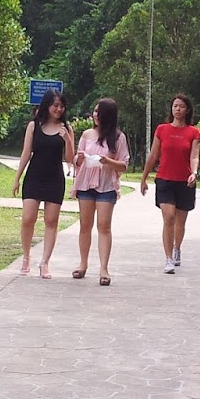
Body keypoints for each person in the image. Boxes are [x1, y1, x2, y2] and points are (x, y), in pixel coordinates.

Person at [11, 88, 74, 279]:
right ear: (47, 105)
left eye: (62, 106)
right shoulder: (34, 125)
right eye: (55, 105)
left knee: (51, 221)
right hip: (34, 176)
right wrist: (17, 178)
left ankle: (45, 262)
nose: (59, 109)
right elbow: (26, 153)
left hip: (55, 178)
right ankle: (26, 257)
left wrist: (67, 139)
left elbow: (71, 158)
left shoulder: (67, 128)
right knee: (28, 218)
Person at [138, 92, 200, 275]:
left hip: (185, 182)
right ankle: (168, 259)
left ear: (187, 109)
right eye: (175, 106)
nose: (178, 109)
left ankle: (177, 248)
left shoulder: (194, 132)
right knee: (169, 217)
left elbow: (194, 156)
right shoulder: (162, 130)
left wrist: (194, 173)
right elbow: (153, 155)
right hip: (165, 179)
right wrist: (144, 178)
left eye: (181, 106)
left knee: (180, 222)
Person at [70, 97, 131, 285]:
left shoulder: (119, 137)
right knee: (85, 225)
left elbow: (124, 165)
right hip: (86, 185)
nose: (95, 115)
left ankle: (104, 268)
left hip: (106, 186)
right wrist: (78, 159)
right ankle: (83, 264)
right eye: (95, 111)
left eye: (99, 112)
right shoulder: (87, 135)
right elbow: (77, 161)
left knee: (104, 226)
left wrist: (107, 161)